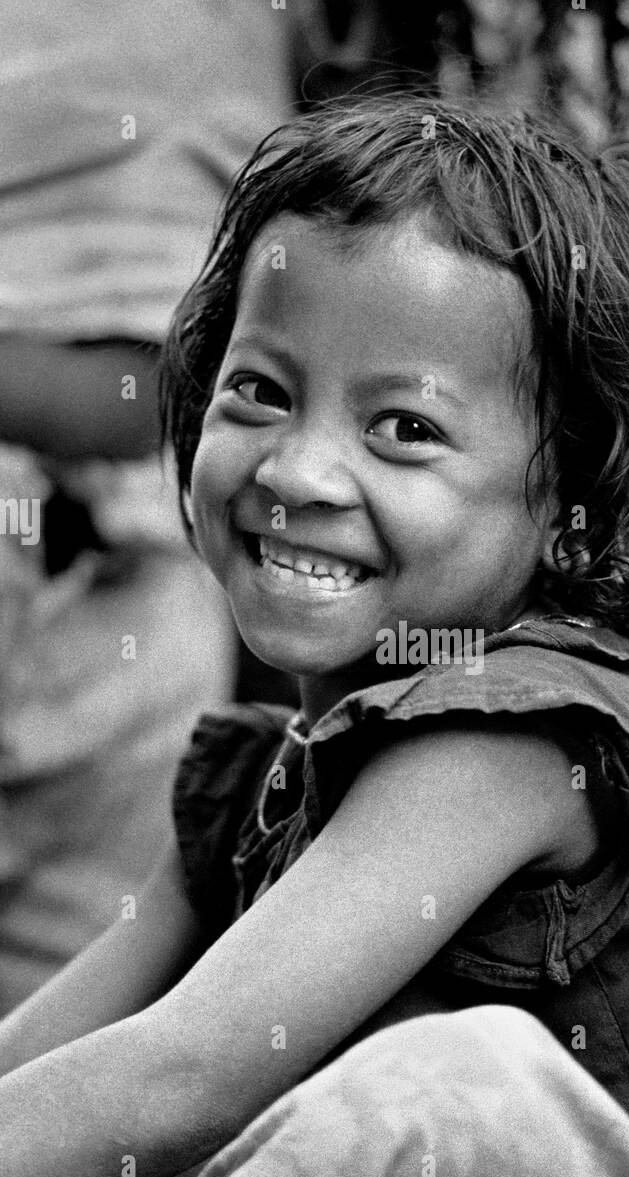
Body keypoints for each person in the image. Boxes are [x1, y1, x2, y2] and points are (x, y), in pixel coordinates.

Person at [0, 96, 629, 1177]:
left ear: (562, 502)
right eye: (258, 392)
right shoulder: (265, 786)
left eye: (403, 428)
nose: (298, 470)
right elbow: (54, 1068)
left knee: (453, 1097)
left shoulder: (510, 736)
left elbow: (179, 1078)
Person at [0, 0, 290, 1014]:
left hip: (132, 613)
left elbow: (164, 380)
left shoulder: (209, 30)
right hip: (133, 589)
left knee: (81, 1055)